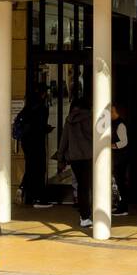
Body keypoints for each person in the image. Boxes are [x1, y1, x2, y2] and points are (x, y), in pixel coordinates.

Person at [57, 87, 93, 228]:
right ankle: (87, 215)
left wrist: (61, 157)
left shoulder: (69, 120)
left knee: (82, 186)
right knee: (89, 186)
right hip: (89, 156)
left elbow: (64, 140)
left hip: (75, 158)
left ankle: (84, 215)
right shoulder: (91, 118)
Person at [16, 86, 53, 208]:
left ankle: (25, 190)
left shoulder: (26, 109)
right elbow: (40, 126)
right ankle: (39, 198)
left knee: (31, 167)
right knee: (39, 169)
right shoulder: (42, 108)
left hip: (26, 143)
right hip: (37, 143)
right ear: (42, 94)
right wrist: (47, 129)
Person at [111, 104, 129, 217]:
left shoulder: (120, 124)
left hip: (120, 158)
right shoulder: (115, 123)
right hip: (118, 158)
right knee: (119, 182)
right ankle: (121, 206)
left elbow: (124, 142)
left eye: (112, 111)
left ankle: (123, 208)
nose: (110, 114)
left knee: (121, 183)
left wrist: (112, 145)